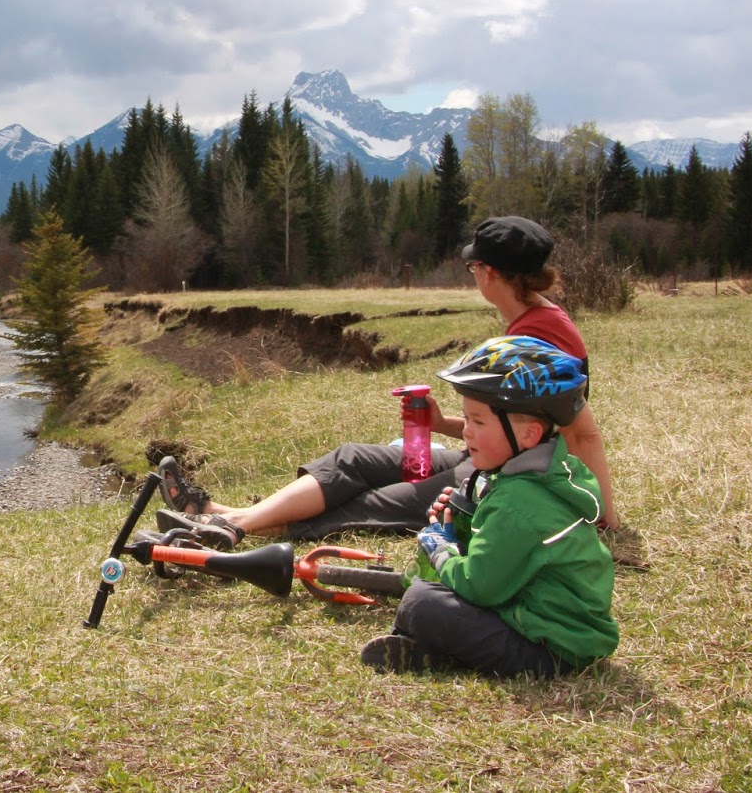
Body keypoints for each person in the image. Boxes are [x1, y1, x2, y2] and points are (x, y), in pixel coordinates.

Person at [155, 215, 622, 551]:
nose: (473, 275)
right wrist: (442, 423)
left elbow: (580, 431)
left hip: (501, 475)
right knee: (352, 459)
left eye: (473, 267)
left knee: (373, 502)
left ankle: (231, 522)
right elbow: (508, 421)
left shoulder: (544, 336)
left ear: (489, 272)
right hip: (481, 453)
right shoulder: (527, 322)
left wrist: (602, 516)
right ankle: (229, 516)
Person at [359, 335, 618, 676]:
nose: (466, 432)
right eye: (466, 419)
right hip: (556, 628)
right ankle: (434, 649)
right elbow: (507, 551)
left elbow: (478, 586)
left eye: (478, 422)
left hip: (550, 652)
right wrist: (463, 521)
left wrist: (442, 552)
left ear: (529, 435)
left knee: (421, 603)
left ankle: (434, 651)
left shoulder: (517, 502)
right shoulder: (541, 475)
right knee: (430, 596)